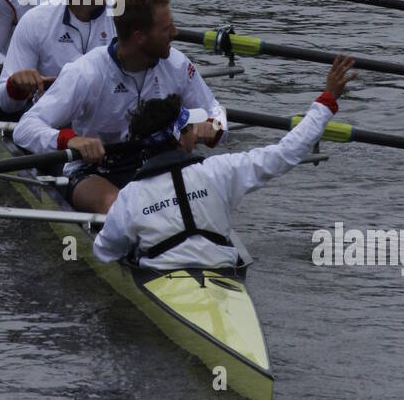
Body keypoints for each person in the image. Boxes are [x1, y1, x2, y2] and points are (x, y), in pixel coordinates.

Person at [92, 55, 356, 270]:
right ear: (177, 138)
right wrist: (326, 100)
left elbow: (104, 251)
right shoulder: (221, 170)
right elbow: (287, 152)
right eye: (189, 129)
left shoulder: (129, 197)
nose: (195, 133)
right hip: (221, 275)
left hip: (160, 278)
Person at [12, 0, 227, 213]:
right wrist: (70, 140)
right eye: (166, 29)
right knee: (122, 209)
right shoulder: (87, 72)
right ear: (140, 37)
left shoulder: (177, 64)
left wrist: (212, 127)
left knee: (210, 199)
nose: (175, 33)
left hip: (157, 162)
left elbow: (214, 110)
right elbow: (25, 128)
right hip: (96, 170)